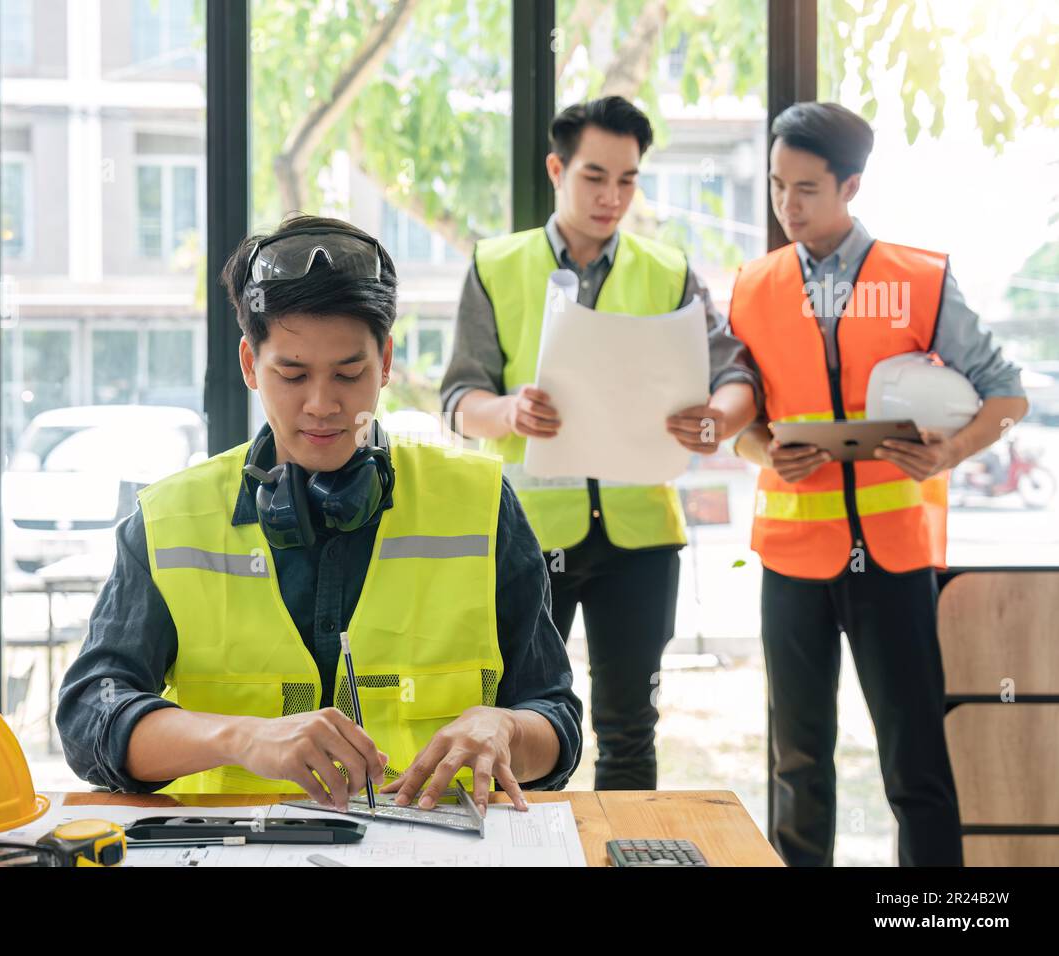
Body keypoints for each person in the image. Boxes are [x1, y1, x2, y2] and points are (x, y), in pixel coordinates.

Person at [57, 214, 583, 814]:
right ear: (250, 365)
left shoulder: (482, 505)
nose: (322, 404)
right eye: (292, 373)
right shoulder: (170, 519)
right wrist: (242, 737)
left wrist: (507, 731)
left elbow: (555, 720)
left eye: (350, 373)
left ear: (385, 361)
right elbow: (89, 717)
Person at [725, 101, 1029, 866]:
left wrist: (949, 451)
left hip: (893, 558)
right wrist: (764, 451)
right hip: (791, 558)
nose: (786, 207)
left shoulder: (918, 281)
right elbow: (740, 415)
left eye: (806, 190)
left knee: (916, 764)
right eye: (775, 186)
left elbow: (1008, 395)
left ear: (851, 186)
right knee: (797, 764)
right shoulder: (752, 286)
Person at [440, 95, 759, 790]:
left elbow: (737, 373)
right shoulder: (496, 265)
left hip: (639, 540)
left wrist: (717, 423)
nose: (611, 196)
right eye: (594, 176)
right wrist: (509, 412)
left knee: (629, 728)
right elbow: (459, 401)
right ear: (557, 169)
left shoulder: (667, 270)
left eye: (627, 179)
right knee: (521, 722)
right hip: (527, 538)